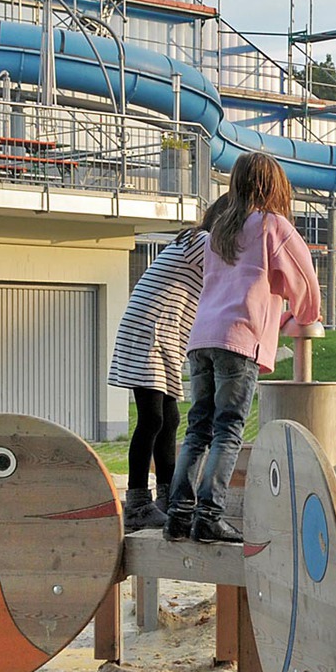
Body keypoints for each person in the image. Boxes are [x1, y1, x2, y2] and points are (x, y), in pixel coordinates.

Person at [164, 151, 322, 544]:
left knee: (198, 428)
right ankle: (210, 514)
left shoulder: (218, 229)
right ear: (273, 185)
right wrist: (303, 317)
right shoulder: (272, 225)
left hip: (201, 338)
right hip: (239, 340)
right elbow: (304, 280)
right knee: (227, 430)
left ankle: (179, 515)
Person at [108, 195, 229, 532]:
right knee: (152, 418)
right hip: (151, 331)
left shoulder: (194, 241)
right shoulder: (202, 242)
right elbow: (230, 277)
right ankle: (136, 502)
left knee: (169, 417)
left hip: (161, 333)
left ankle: (166, 496)